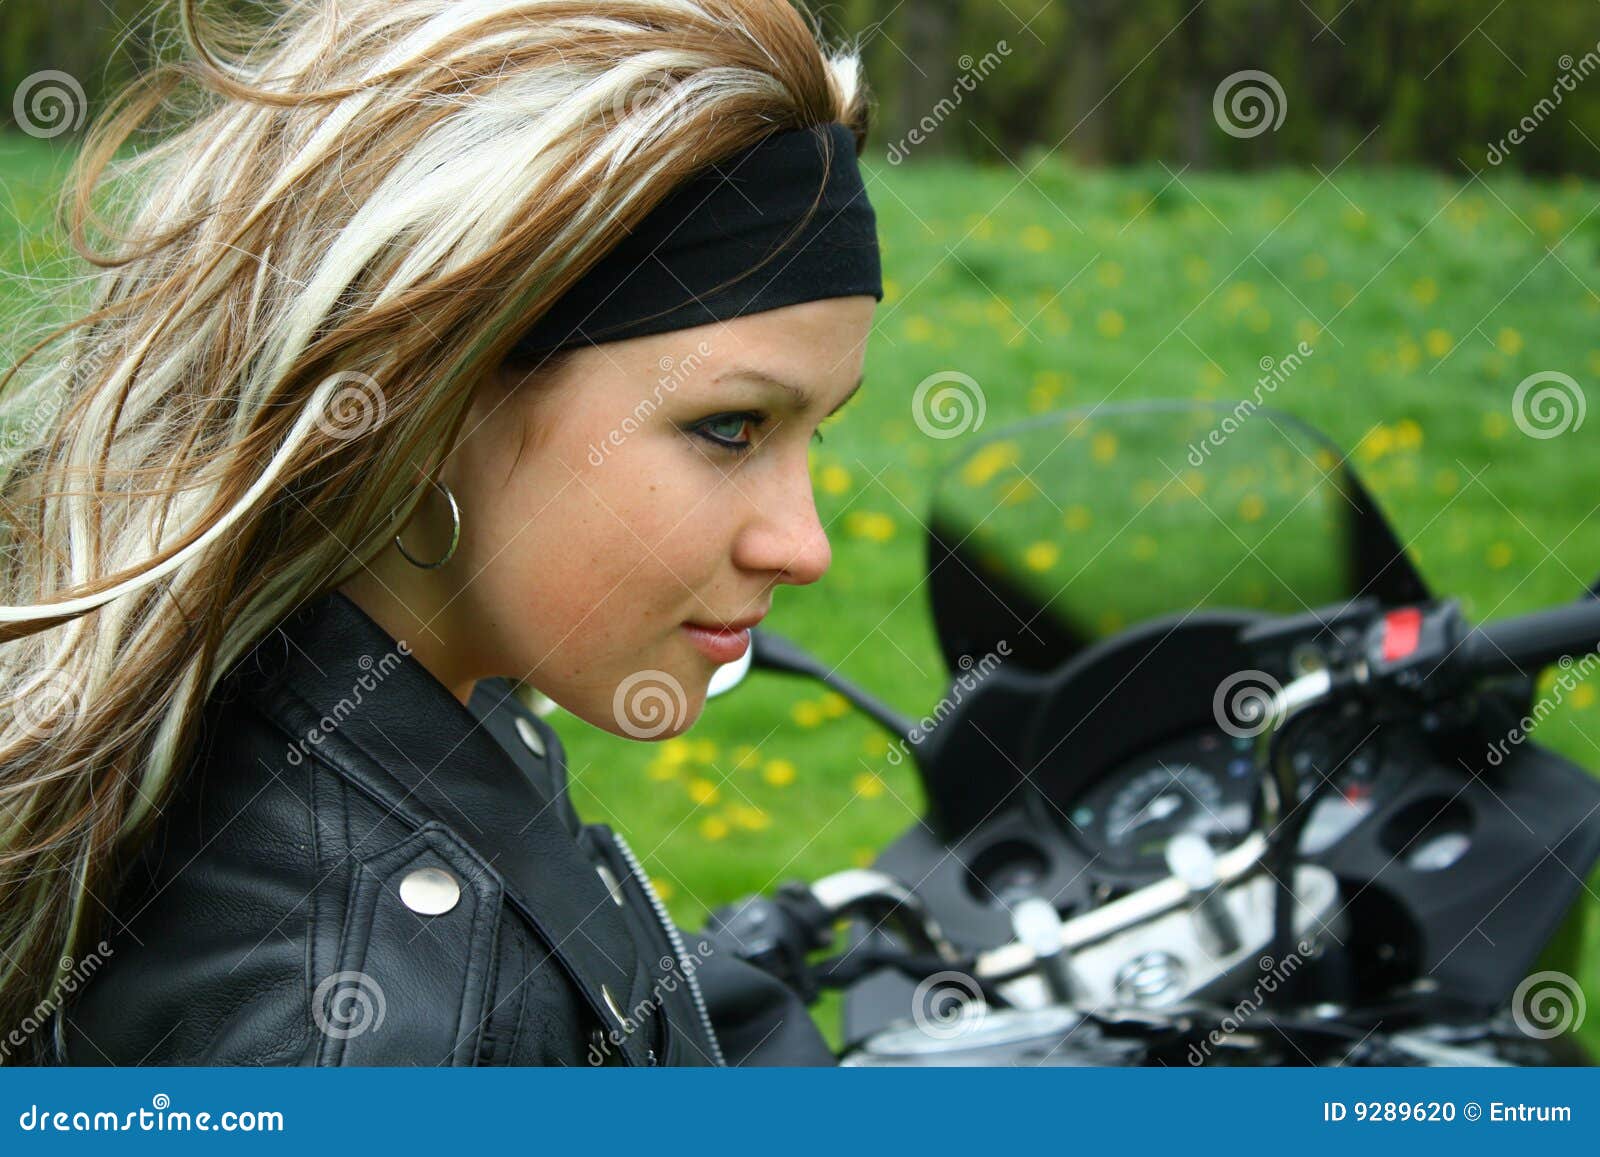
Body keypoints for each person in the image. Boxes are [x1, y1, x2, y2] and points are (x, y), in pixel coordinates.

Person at [0, 0, 881, 1065]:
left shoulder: (360, 690)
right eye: (730, 427)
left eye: (813, 435)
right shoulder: (349, 1029)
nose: (805, 543)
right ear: (435, 400)